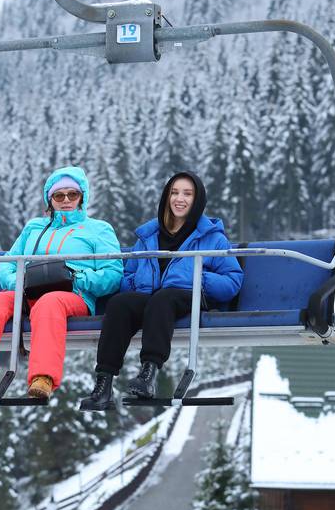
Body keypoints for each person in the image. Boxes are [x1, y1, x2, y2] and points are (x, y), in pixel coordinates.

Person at [0, 166, 123, 400]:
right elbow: (8, 263)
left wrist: (78, 278)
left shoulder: (98, 229)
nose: (66, 200)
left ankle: (43, 377)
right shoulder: (35, 228)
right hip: (28, 292)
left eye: (72, 194)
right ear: (50, 199)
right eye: (59, 195)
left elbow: (113, 273)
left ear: (82, 197)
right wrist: (17, 283)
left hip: (73, 295)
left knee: (50, 302)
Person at [80, 171, 243, 410]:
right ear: (167, 198)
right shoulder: (149, 238)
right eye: (175, 193)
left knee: (164, 298)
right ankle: (104, 383)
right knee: (121, 303)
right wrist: (137, 285)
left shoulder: (212, 239)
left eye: (188, 194)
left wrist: (199, 278)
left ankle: (148, 374)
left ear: (197, 200)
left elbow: (233, 281)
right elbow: (127, 276)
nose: (180, 199)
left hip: (190, 297)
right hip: (153, 298)